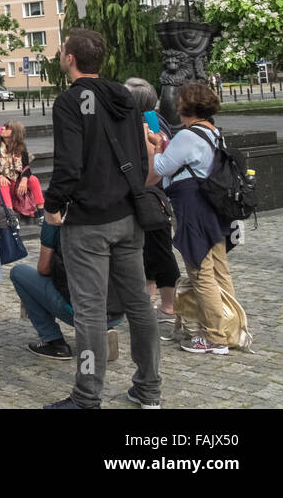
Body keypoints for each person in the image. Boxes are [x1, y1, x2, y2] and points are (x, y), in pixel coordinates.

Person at [43, 28, 160, 410]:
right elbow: (140, 153)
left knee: (90, 311)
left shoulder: (69, 102)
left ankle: (86, 395)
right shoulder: (123, 96)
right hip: (128, 215)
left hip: (89, 221)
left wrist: (53, 205)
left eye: (63, 51)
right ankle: (148, 388)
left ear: (71, 58)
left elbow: (69, 164)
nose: (61, 55)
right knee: (139, 304)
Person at [146, 82, 240, 356]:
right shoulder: (213, 132)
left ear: (187, 106)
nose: (176, 104)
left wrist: (155, 146)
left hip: (193, 210)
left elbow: (161, 169)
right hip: (214, 208)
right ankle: (230, 328)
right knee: (220, 271)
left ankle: (213, 337)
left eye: (180, 101)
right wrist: (166, 145)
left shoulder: (188, 136)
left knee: (201, 273)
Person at [12, 220, 124, 359]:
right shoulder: (115, 212)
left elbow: (44, 268)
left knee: (19, 273)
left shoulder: (54, 216)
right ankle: (105, 330)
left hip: (81, 311)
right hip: (117, 310)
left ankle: (54, 342)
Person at [124, 76, 179, 330]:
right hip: (154, 196)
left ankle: (168, 306)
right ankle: (150, 296)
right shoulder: (153, 120)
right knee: (150, 250)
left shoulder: (147, 127)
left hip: (152, 197)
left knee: (159, 249)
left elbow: (152, 171)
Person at [0, 121, 44, 218]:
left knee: (33, 180)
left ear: (15, 133)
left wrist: (24, 180)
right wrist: (0, 175)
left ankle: (41, 213)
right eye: (3, 126)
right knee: (3, 184)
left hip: (15, 182)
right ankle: (10, 216)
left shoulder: (21, 147)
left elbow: (26, 167)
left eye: (7, 128)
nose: (2, 128)